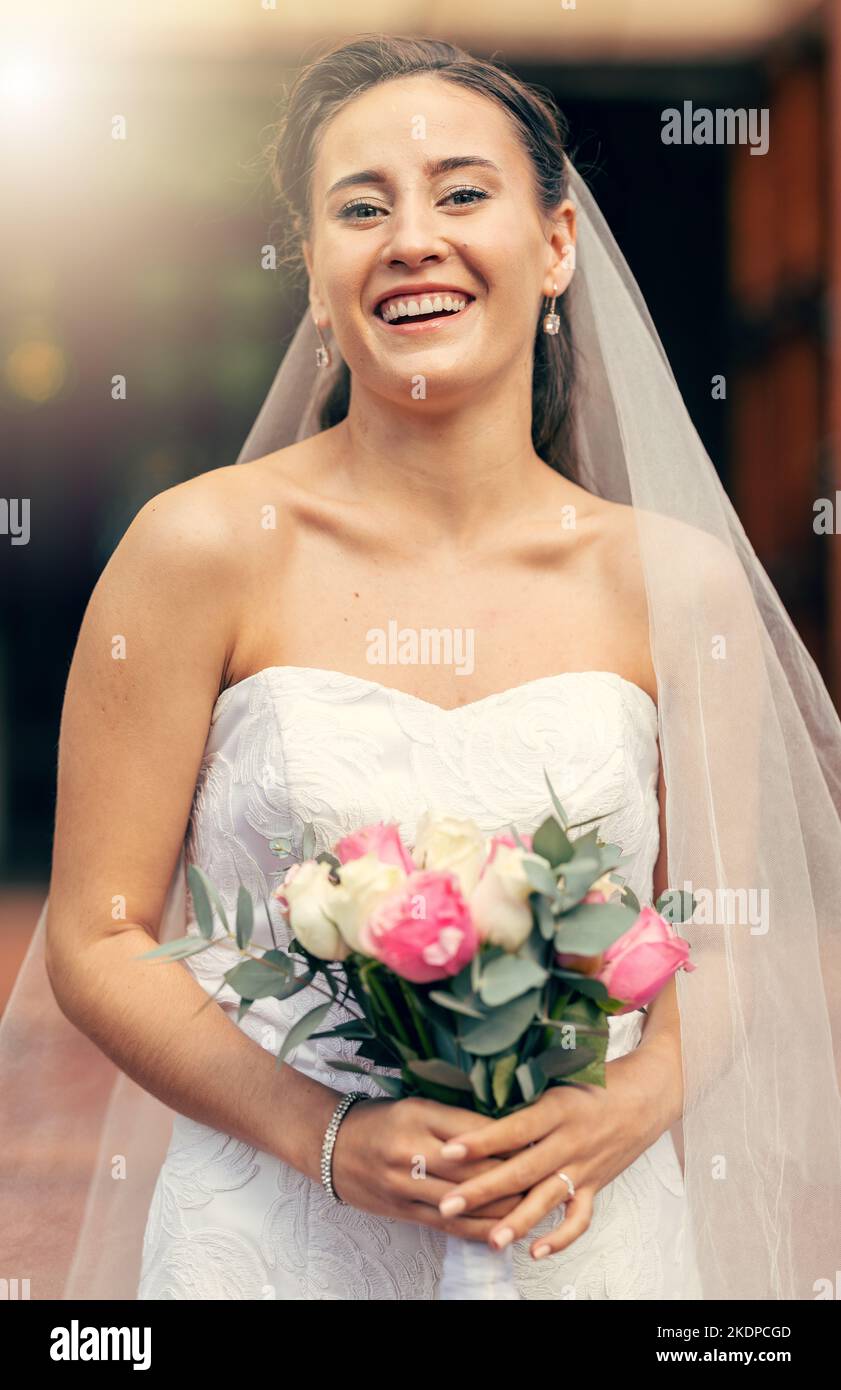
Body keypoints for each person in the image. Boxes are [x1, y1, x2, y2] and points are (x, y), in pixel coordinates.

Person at [2, 33, 840, 1301]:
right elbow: (98, 935)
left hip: (578, 1230)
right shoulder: (198, 548)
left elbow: (721, 938)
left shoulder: (675, 581)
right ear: (316, 275)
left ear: (554, 245)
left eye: (461, 192)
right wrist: (324, 1137)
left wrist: (625, 1106)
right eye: (359, 208)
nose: (411, 239)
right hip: (272, 1232)